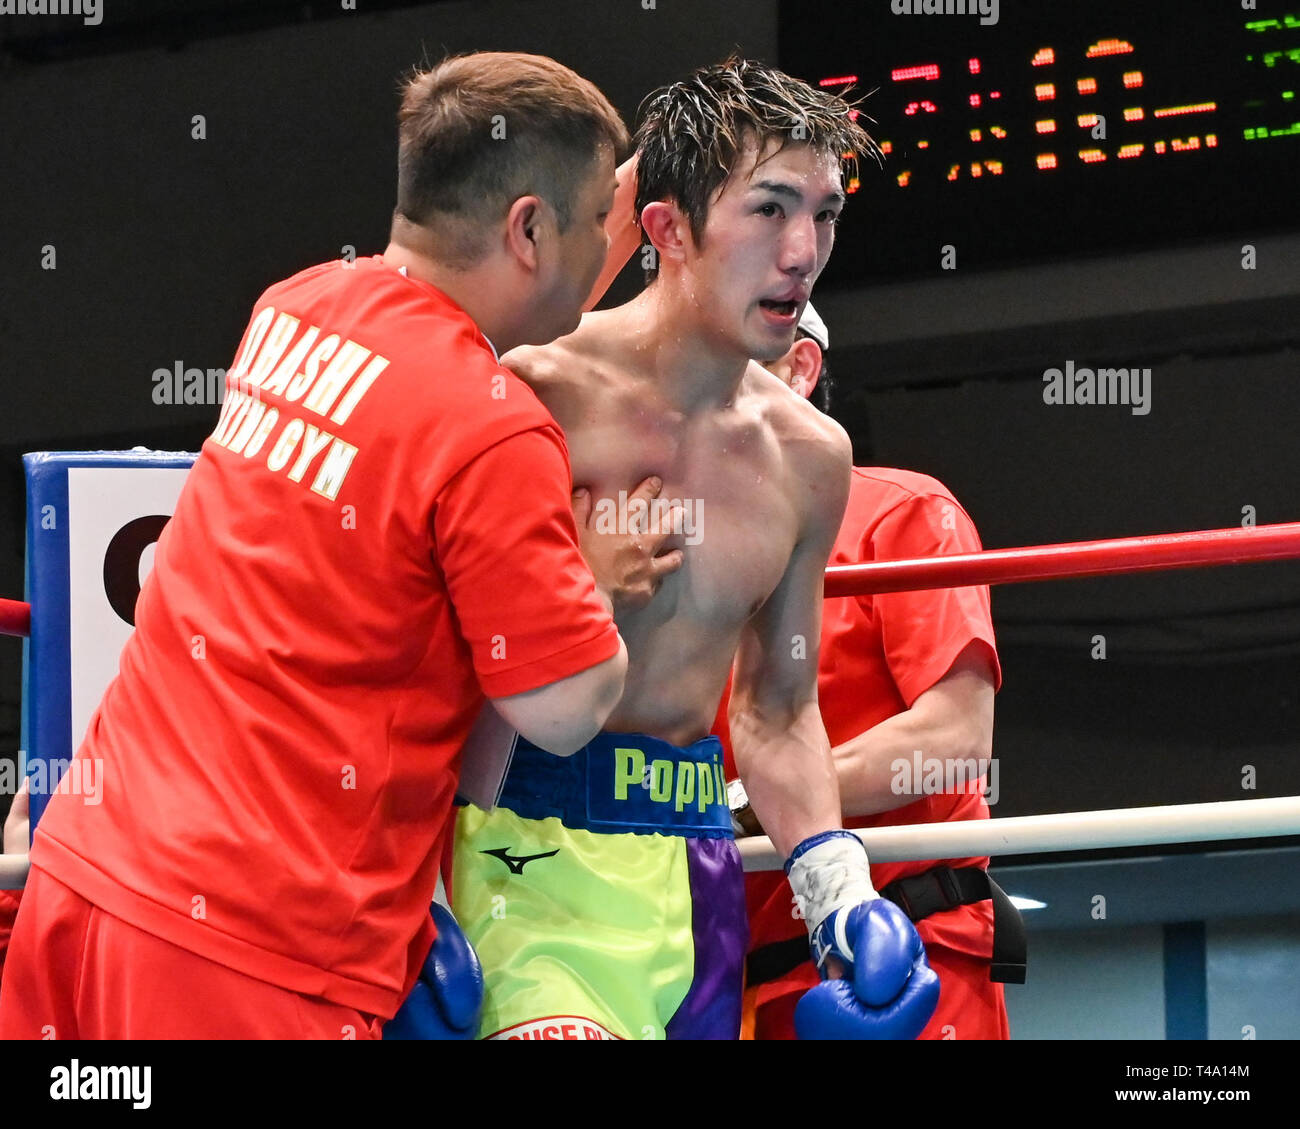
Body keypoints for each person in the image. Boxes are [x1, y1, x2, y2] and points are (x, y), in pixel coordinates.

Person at [0, 51, 676, 1040]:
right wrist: (585, 575)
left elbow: (384, 466)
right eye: (587, 224)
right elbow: (565, 707)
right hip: (248, 949)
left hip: (87, 884)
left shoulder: (295, 306)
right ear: (528, 228)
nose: (602, 251)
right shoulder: (494, 429)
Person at [449, 57, 940, 1041]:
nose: (802, 251)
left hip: (695, 864)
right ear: (666, 229)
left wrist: (837, 893)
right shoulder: (531, 396)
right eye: (767, 209)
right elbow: (425, 655)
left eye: (824, 213)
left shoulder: (809, 458)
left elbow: (776, 704)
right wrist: (417, 884)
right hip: (518, 853)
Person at [721, 303, 1020, 1040]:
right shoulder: (690, 558)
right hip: (744, 986)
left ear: (799, 368)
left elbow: (954, 740)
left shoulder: (901, 512)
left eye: (724, 369)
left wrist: (760, 802)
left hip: (909, 956)